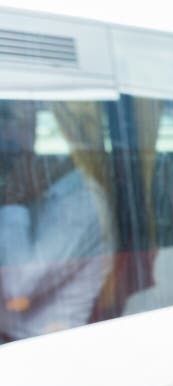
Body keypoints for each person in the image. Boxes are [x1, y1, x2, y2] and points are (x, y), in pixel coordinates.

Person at [0, 100, 115, 342]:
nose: (11, 136)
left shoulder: (80, 203)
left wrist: (12, 202)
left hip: (43, 345)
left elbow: (17, 287)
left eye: (16, 123)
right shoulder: (42, 192)